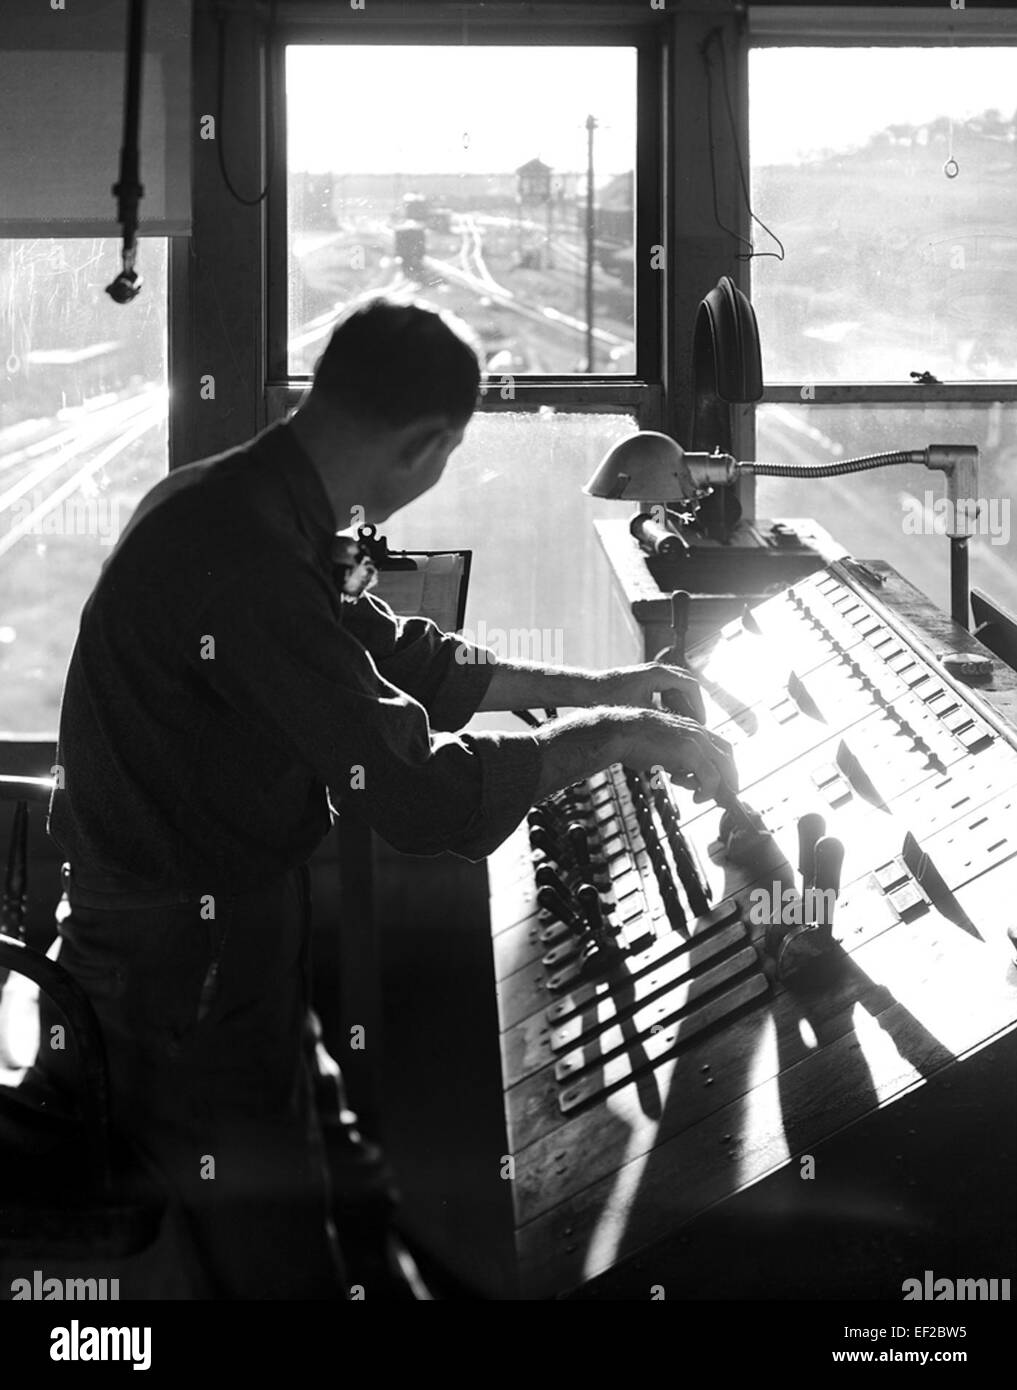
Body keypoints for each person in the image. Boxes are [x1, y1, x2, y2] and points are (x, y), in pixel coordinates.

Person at [33, 294, 736, 1298]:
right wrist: (621, 738)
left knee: (348, 1198)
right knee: (271, 1268)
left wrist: (600, 689)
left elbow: (406, 656)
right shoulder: (250, 559)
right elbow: (414, 792)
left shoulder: (250, 499)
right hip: (177, 973)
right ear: (426, 445)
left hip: (223, 943)